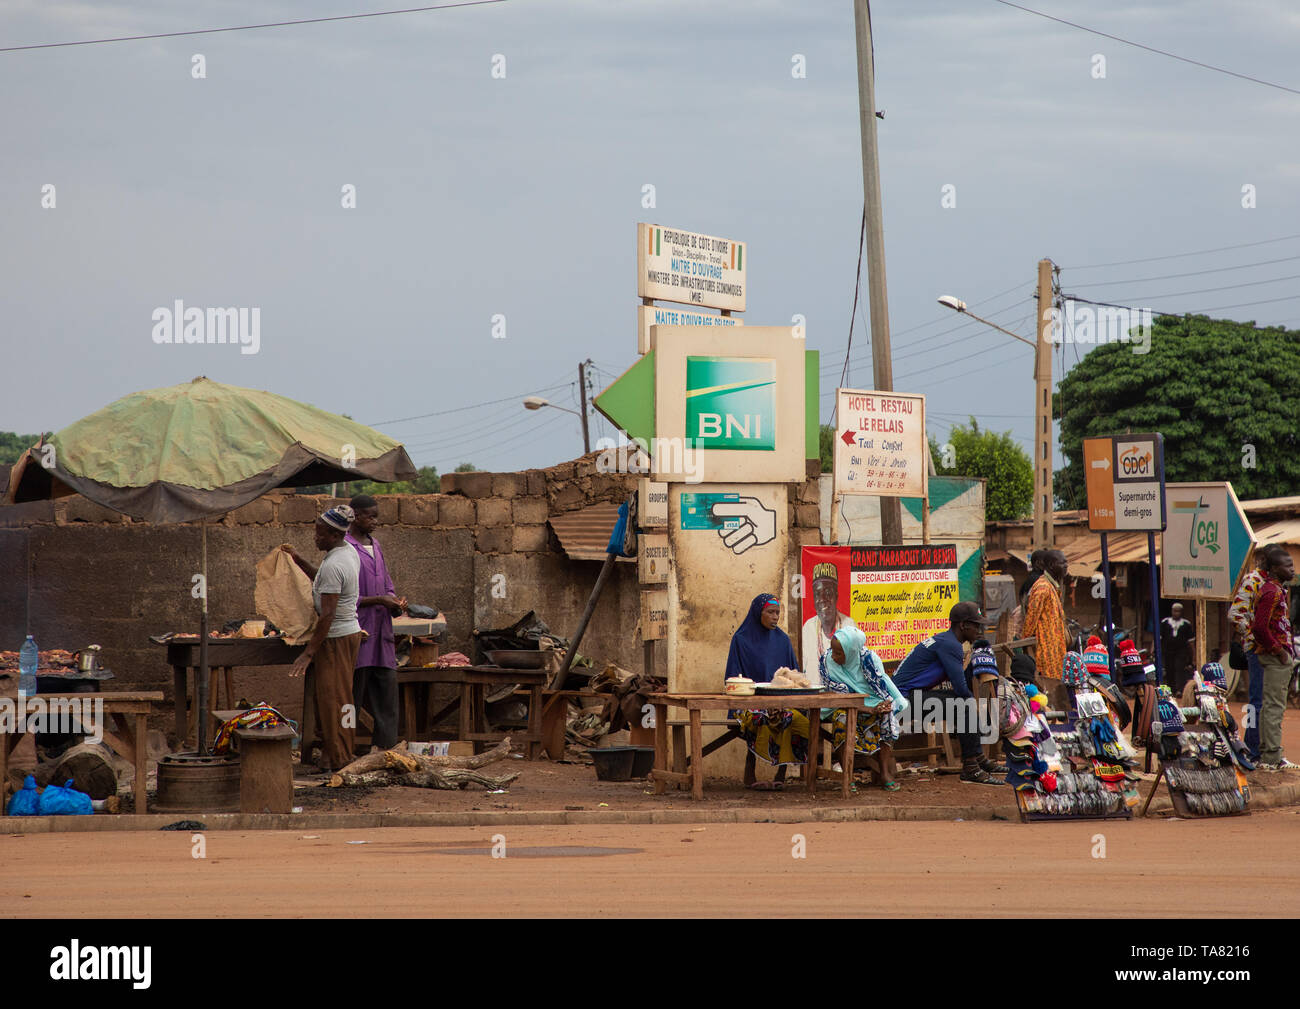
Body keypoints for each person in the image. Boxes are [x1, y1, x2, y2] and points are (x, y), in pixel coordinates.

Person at [283, 506, 365, 773]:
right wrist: (296, 559)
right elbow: (321, 577)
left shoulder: (335, 564)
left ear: (332, 534)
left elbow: (327, 615)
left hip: (336, 639)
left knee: (335, 701)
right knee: (338, 697)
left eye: (319, 534)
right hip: (344, 635)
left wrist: (308, 653)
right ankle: (331, 756)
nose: (315, 538)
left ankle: (342, 760)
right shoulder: (345, 552)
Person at [892, 601, 1002, 785]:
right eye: (976, 625)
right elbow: (961, 689)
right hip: (902, 701)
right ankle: (972, 767)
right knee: (963, 703)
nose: (979, 629)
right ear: (963, 625)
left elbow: (961, 685)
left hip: (905, 697)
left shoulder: (946, 640)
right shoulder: (951, 645)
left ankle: (977, 760)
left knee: (961, 702)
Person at [725, 593, 808, 790]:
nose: (775, 617)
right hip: (747, 703)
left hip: (781, 701)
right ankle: (750, 771)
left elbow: (793, 674)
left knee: (793, 717)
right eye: (770, 612)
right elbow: (732, 678)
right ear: (758, 613)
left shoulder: (783, 640)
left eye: (777, 612)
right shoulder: (741, 640)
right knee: (761, 717)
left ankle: (782, 772)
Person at [346, 495, 406, 752]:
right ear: (355, 516)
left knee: (387, 697)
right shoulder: (346, 549)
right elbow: (345, 597)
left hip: (383, 636)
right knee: (352, 697)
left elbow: (387, 585)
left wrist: (393, 601)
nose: (375, 521)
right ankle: (343, 749)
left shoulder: (376, 545)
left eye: (376, 516)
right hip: (359, 634)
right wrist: (378, 599)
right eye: (370, 516)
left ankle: (384, 751)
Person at [818, 626, 908, 790]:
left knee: (887, 716)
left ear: (852, 652)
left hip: (871, 702)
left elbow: (883, 683)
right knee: (842, 719)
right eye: (833, 650)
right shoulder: (827, 662)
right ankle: (848, 775)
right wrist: (866, 709)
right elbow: (838, 696)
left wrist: (890, 702)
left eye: (839, 653)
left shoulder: (869, 660)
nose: (833, 655)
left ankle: (884, 772)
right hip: (840, 704)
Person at [1250, 546, 1298, 771]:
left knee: (1273, 705)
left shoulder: (1277, 589)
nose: (1293, 569)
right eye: (1288, 566)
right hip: (1274, 657)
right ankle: (1271, 756)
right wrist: (1278, 651)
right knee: (1273, 707)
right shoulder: (1272, 592)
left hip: (1278, 655)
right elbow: (1259, 627)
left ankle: (1270, 753)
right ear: (1275, 569)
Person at [1228, 549, 1272, 762]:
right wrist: (1254, 638)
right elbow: (1235, 614)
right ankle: (1253, 751)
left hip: (1272, 651)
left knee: (1269, 702)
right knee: (1257, 701)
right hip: (1257, 651)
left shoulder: (1272, 582)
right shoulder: (1253, 580)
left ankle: (1266, 750)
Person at [1022, 549, 1068, 711]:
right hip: (1046, 656)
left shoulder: (1052, 587)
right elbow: (1030, 620)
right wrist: (1026, 646)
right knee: (1048, 697)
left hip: (1055, 654)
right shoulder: (1042, 588)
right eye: (1062, 563)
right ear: (1050, 565)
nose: (1066, 566)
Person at [801, 562, 855, 684]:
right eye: (817, 594)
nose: (823, 600)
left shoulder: (848, 625)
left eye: (828, 593)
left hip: (843, 694)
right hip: (815, 696)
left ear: (836, 595)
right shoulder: (808, 628)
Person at [1160, 603, 1196, 693]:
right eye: (1174, 611)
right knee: (1169, 669)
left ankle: (1179, 690)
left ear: (1181, 612)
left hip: (1181, 651)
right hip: (1168, 651)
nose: (1176, 613)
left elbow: (1190, 642)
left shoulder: (1186, 624)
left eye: (1178, 611)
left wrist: (1193, 656)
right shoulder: (1165, 622)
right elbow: (1159, 638)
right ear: (1171, 611)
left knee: (1179, 669)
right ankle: (1170, 690)